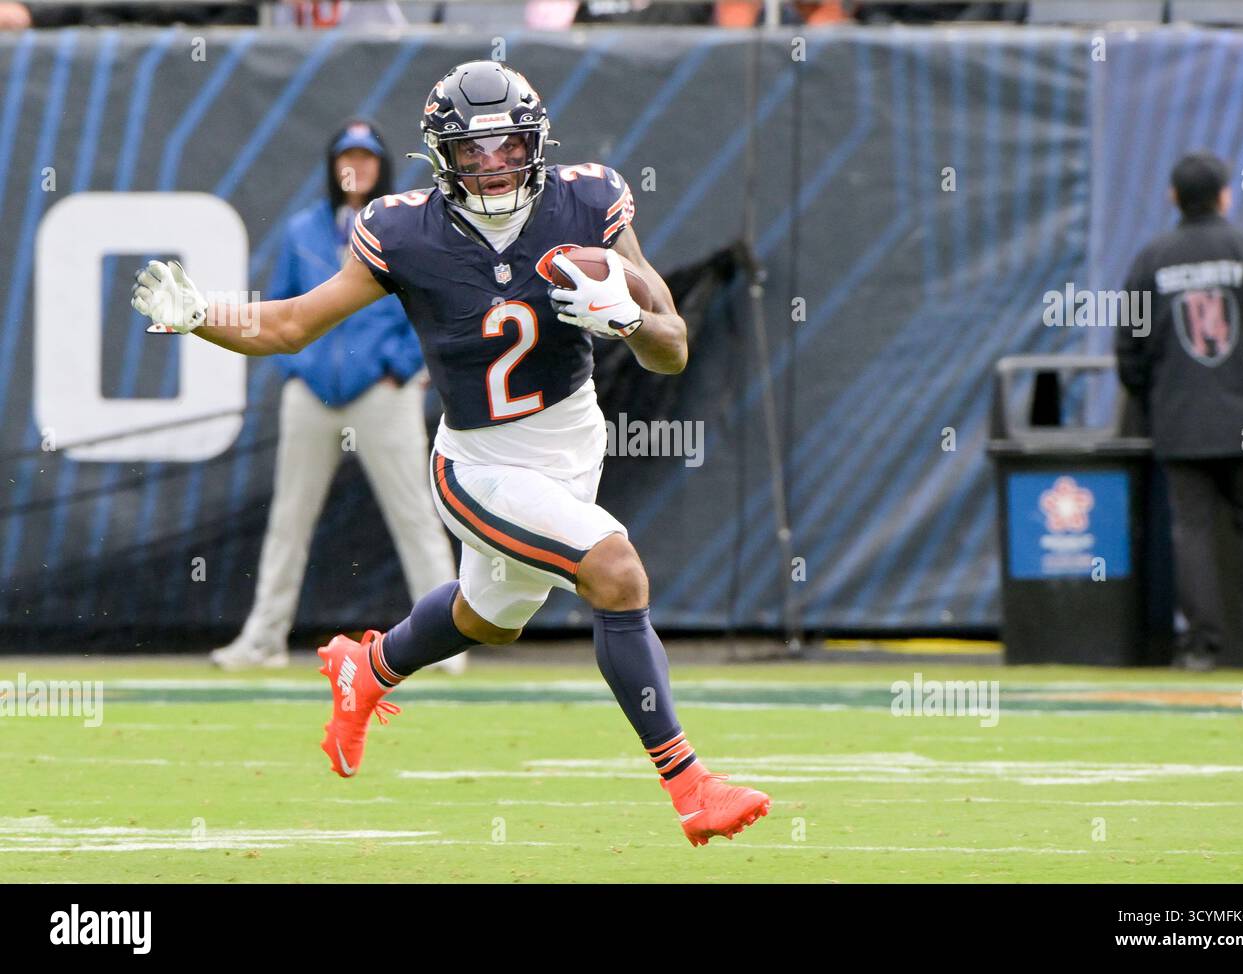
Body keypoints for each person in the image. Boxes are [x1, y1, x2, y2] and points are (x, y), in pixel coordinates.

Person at [131, 61, 771, 846]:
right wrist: (197, 314)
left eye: (508, 145)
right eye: (475, 152)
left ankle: (364, 670)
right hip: (478, 464)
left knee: (487, 618)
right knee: (615, 569)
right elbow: (291, 325)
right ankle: (690, 785)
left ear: (536, 141)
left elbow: (672, 348)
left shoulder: (590, 200)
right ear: (444, 159)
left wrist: (628, 319)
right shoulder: (405, 233)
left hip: (574, 440)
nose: (495, 164)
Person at [210, 119, 463, 675]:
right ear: (333, 166)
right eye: (347, 157)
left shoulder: (402, 230)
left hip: (381, 393)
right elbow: (276, 308)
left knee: (417, 515)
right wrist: (300, 369)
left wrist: (397, 368)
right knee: (288, 519)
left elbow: (431, 307)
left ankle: (445, 644)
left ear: (381, 168)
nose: (358, 168)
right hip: (313, 396)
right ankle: (262, 641)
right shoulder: (303, 231)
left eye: (368, 159)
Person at [1117, 152, 1243, 672]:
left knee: (1191, 532)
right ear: (1225, 194)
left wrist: (1157, 401)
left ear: (1173, 197)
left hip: (1184, 425)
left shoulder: (1150, 262)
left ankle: (1200, 649)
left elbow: (1127, 348)